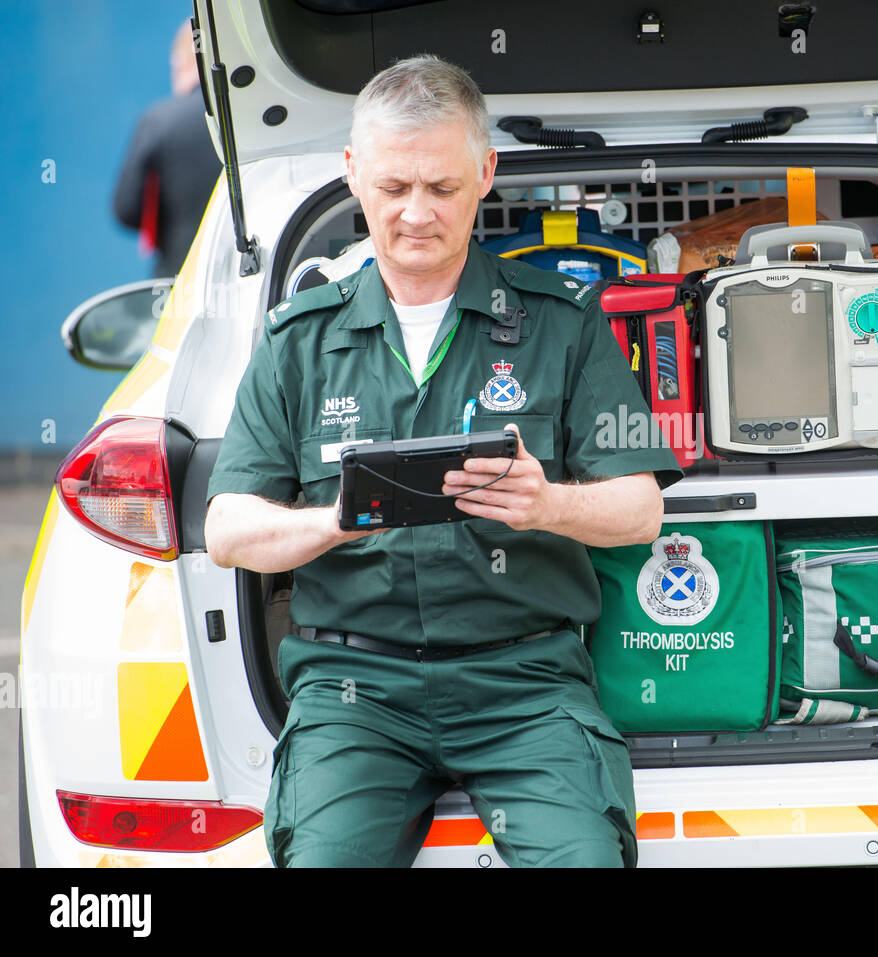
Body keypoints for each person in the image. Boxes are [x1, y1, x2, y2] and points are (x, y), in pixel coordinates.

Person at [204, 54, 682, 868]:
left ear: (486, 173)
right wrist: (338, 520)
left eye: (442, 187)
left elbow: (642, 509)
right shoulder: (297, 341)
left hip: (525, 685)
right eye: (393, 188)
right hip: (355, 697)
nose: (416, 214)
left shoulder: (560, 323)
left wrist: (547, 505)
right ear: (353, 175)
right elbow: (226, 529)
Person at [112, 20, 223, 277]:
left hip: (179, 281)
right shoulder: (249, 119)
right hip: (250, 278)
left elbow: (126, 210)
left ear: (180, 62)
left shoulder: (158, 122)